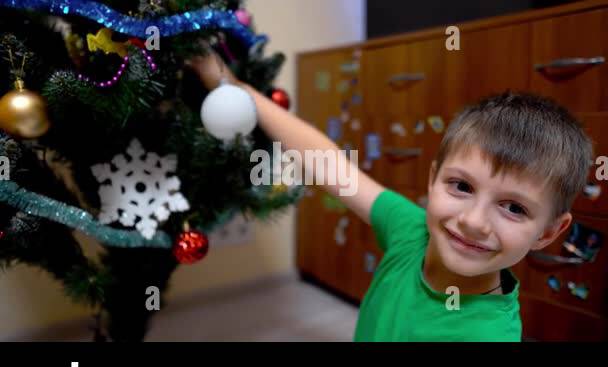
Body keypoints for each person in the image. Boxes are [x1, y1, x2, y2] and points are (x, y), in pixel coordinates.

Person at [187, 53, 593, 342]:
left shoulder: (487, 337)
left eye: (515, 208)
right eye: (462, 186)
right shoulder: (412, 230)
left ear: (549, 233)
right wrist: (231, 86)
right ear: (433, 179)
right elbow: (329, 165)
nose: (473, 220)